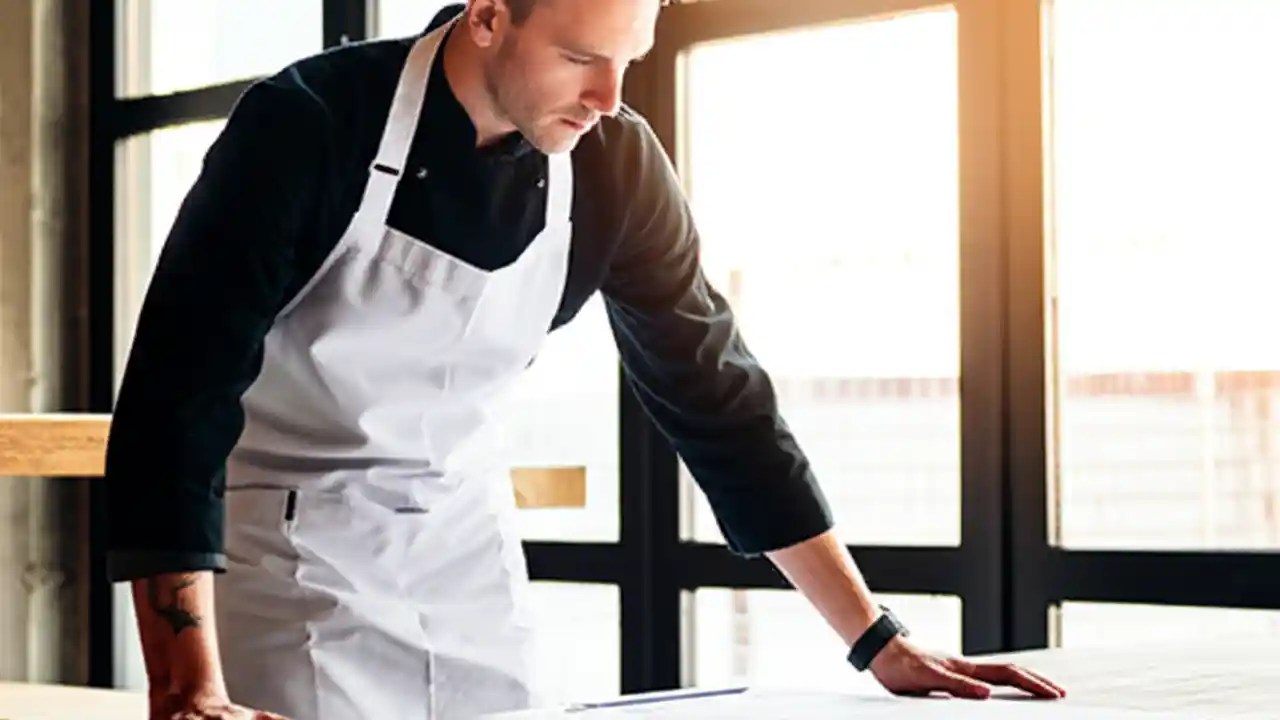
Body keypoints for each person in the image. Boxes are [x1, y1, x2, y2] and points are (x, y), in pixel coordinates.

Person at [103, 1, 1066, 718]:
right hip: (288, 556)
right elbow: (177, 398)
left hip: (466, 557)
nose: (610, 99)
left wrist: (875, 639)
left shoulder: (614, 165)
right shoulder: (308, 125)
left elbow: (718, 397)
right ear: (489, 15)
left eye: (629, 61)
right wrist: (187, 687)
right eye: (580, 58)